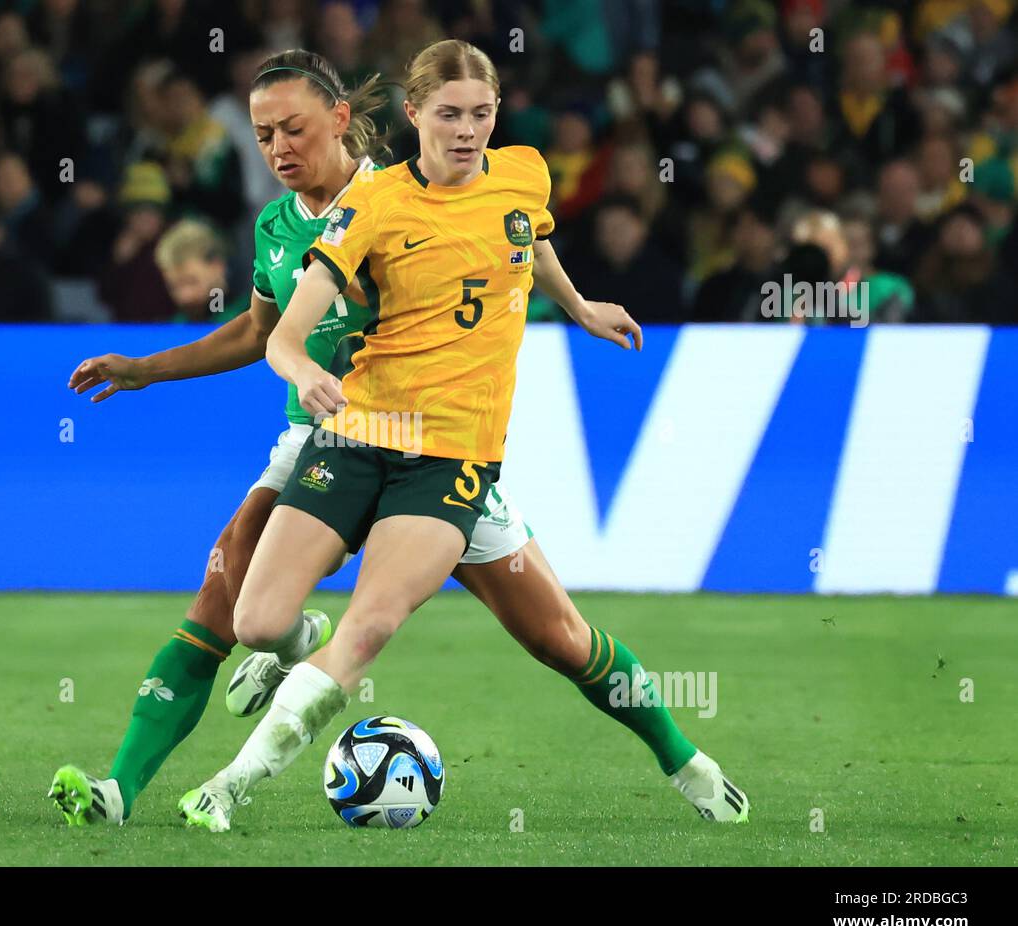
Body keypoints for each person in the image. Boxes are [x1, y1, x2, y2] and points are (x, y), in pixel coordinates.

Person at [50, 44, 748, 833]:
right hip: (332, 436)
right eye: (263, 134)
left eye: (294, 129)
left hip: (442, 448)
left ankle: (684, 758)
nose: (279, 148)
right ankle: (121, 788)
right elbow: (261, 330)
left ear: (342, 119)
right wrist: (149, 369)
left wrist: (579, 305)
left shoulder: (398, 194)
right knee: (235, 604)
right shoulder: (279, 226)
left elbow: (515, 233)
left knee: (559, 638)